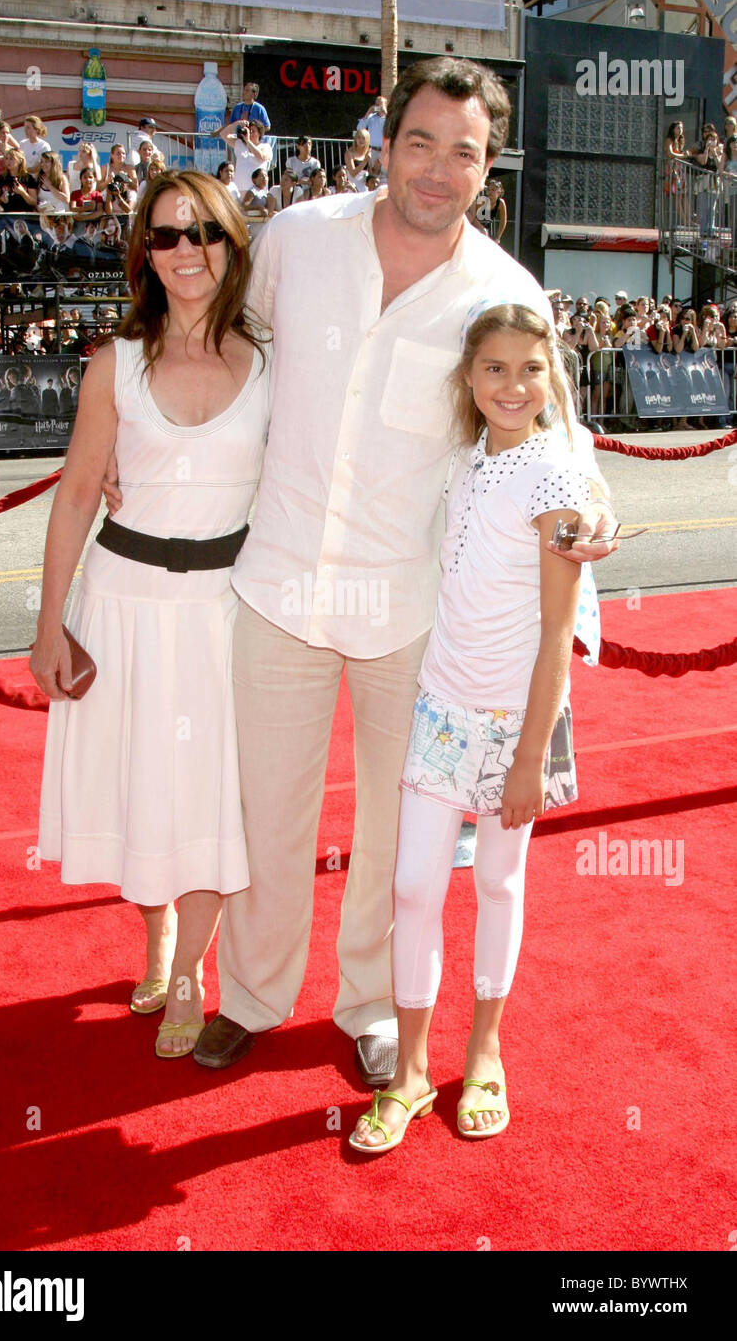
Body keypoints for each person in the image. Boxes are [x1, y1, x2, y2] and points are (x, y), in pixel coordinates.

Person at [163, 56, 618, 1082]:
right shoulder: (297, 240)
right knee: (263, 811)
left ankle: (368, 1002)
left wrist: (591, 506)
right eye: (420, 141)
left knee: (387, 829)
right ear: (384, 138)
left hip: (414, 606)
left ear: (487, 167)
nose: (436, 169)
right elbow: (230, 349)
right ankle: (255, 991)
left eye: (464, 152)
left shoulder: (503, 289)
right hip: (277, 578)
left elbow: (562, 429)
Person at [31, 170, 271, 1059]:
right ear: (144, 252)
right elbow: (75, 496)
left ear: (230, 243)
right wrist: (50, 622)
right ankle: (157, 938)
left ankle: (190, 973)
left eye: (201, 232)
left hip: (222, 614)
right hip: (124, 603)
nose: (184, 252)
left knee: (210, 801)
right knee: (139, 793)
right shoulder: (115, 366)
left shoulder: (272, 364)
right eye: (165, 236)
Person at [349, 302, 591, 1152]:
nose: (513, 385)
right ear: (469, 377)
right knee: (413, 886)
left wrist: (531, 753)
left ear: (550, 373)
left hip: (516, 721)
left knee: (497, 882)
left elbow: (558, 630)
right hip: (439, 711)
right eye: (495, 368)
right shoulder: (463, 463)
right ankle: (412, 1071)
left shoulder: (557, 479)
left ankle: (483, 1052)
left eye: (530, 368)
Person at [220, 118, 273, 196]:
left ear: (259, 133)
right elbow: (223, 134)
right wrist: (236, 123)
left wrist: (248, 141)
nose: (250, 133)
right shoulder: (239, 144)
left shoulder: (265, 147)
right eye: (249, 131)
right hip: (239, 189)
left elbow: (261, 156)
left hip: (257, 191)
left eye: (253, 131)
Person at [0, 147, 38, 212]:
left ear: (20, 161)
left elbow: (34, 202)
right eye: (6, 158)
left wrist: (23, 193)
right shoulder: (1, 178)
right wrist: (1, 199)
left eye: (11, 159)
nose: (8, 161)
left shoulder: (28, 178)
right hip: (6, 216)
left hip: (24, 215)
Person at [356, 96, 388, 166]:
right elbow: (359, 128)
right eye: (377, 105)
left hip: (385, 151)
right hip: (373, 151)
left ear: (385, 105)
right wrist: (368, 112)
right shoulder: (371, 117)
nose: (379, 106)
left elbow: (394, 128)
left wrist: (386, 113)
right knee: (373, 174)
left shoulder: (389, 118)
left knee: (385, 174)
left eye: (381, 104)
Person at [344, 127, 377, 192]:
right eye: (359, 138)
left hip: (364, 187)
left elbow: (371, 173)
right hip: (352, 186)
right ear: (355, 139)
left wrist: (376, 167)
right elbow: (352, 173)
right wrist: (365, 161)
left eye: (363, 138)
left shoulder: (368, 153)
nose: (361, 140)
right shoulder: (349, 153)